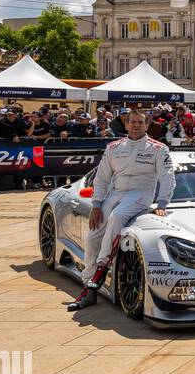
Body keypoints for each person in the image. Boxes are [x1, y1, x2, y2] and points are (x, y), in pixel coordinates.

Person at [67, 110, 174, 312]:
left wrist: (161, 204)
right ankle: (87, 284)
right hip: (114, 195)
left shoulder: (158, 149)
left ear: (147, 125)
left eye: (140, 122)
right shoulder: (114, 147)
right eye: (132, 122)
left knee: (117, 217)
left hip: (141, 194)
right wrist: (96, 204)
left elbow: (167, 176)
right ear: (125, 125)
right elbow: (102, 178)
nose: (136, 125)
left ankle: (100, 268)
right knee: (92, 237)